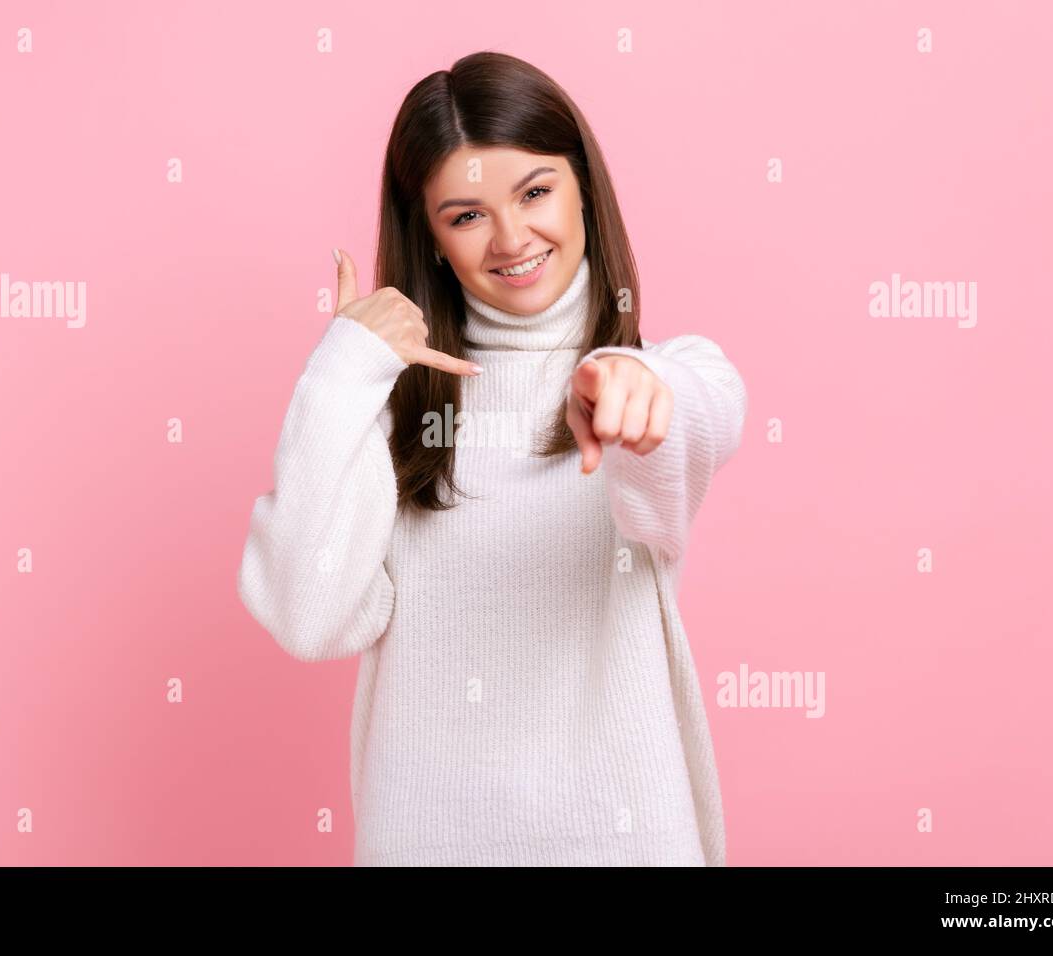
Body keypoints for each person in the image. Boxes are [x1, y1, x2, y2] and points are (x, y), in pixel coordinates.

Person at [238, 51, 747, 866]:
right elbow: (308, 615)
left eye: (536, 191)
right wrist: (341, 374)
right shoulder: (388, 408)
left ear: (584, 186)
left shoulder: (673, 373)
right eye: (467, 215)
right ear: (430, 237)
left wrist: (636, 386)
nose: (513, 239)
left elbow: (691, 421)